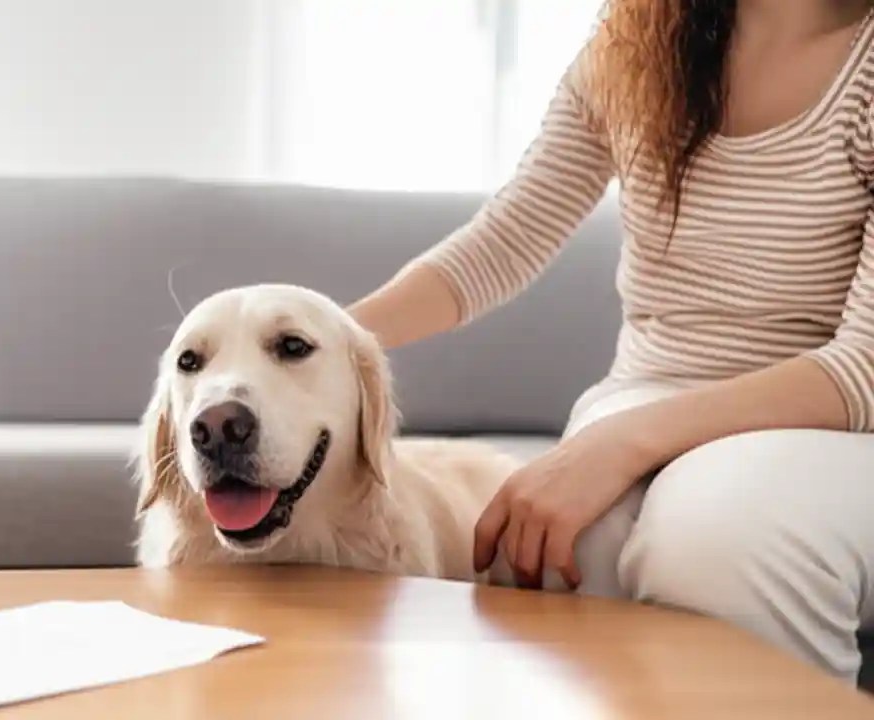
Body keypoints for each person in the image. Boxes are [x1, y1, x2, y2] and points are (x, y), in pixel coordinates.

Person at [348, 0, 874, 684]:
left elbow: (862, 370)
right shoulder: (637, 34)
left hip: (834, 427)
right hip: (644, 398)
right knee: (562, 547)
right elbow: (506, 239)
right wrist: (317, 339)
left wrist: (620, 443)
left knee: (716, 545)